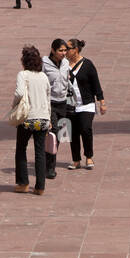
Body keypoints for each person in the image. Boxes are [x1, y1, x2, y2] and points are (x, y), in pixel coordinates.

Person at [12, 45, 51, 195]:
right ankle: (40, 186)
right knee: (40, 152)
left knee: (21, 149)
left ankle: (23, 183)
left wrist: (14, 105)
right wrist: (48, 117)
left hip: (28, 119)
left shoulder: (23, 74)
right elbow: (48, 98)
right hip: (42, 119)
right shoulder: (43, 76)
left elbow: (19, 92)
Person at [64, 39, 105, 170]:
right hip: (70, 105)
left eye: (68, 48)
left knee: (86, 129)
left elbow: (96, 84)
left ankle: (89, 156)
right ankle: (76, 160)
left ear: (75, 50)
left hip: (86, 104)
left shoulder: (88, 64)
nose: (65, 51)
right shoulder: (63, 65)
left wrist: (101, 102)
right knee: (73, 133)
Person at [42, 39, 72, 180]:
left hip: (63, 103)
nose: (63, 53)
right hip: (50, 103)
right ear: (53, 50)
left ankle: (47, 160)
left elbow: (68, 79)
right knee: (53, 134)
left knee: (60, 135)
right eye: (60, 50)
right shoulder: (45, 63)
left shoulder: (66, 63)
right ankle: (50, 168)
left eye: (65, 50)